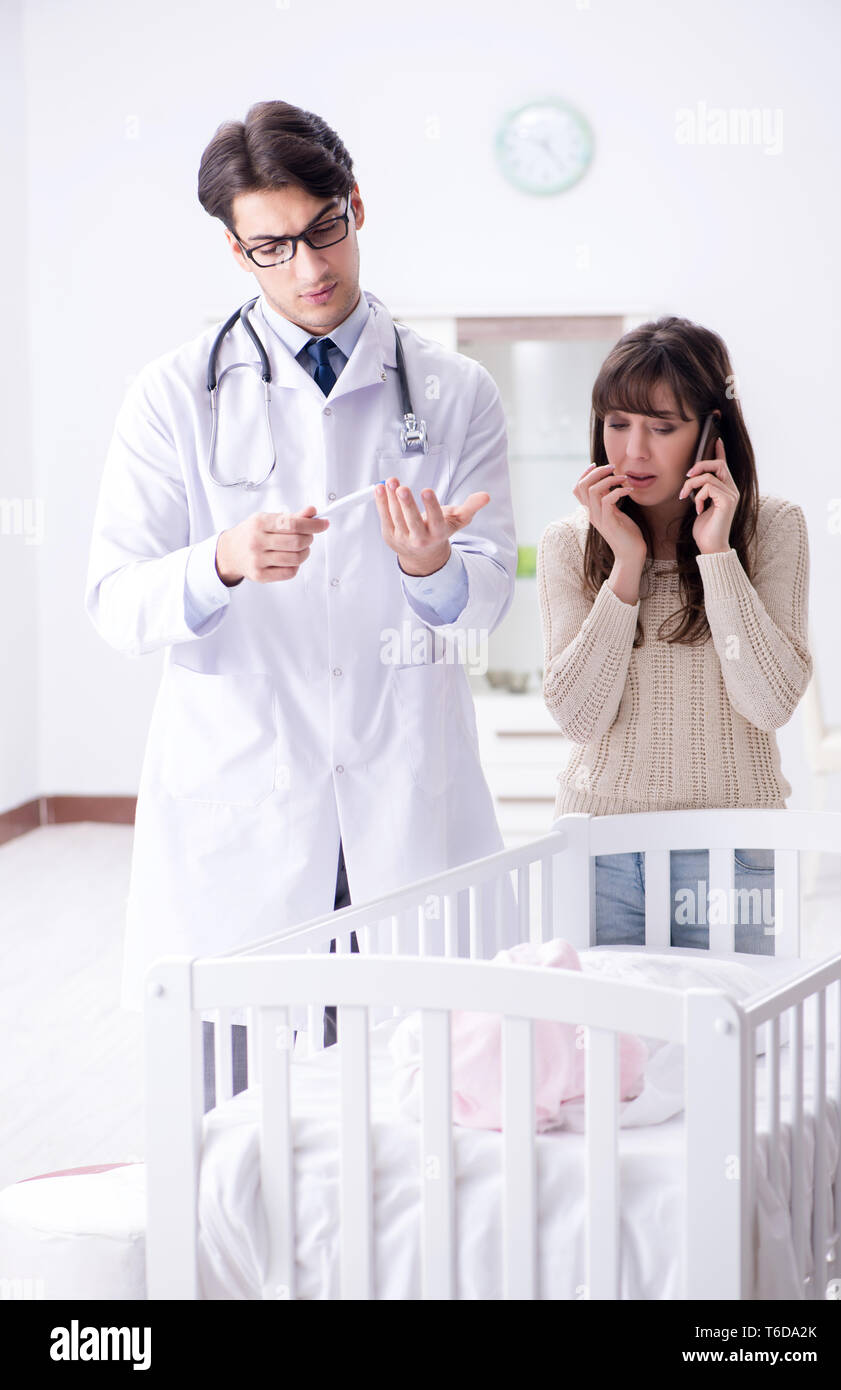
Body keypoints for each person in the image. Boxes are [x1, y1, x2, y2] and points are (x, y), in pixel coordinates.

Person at [85, 100, 516, 1101]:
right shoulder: (173, 396)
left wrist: (430, 570)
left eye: (325, 229)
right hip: (245, 787)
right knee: (237, 1095)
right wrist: (221, 561)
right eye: (272, 247)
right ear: (237, 252)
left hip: (404, 786)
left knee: (422, 1085)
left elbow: (487, 598)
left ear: (356, 206)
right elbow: (116, 600)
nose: (309, 268)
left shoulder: (453, 393)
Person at [537, 316, 812, 953]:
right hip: (598, 849)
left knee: (733, 1045)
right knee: (605, 1049)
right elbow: (579, 717)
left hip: (730, 852)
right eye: (617, 424)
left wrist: (716, 555)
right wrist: (626, 568)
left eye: (662, 428)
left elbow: (769, 701)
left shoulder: (772, 529)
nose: (633, 452)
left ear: (712, 431)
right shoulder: (569, 543)